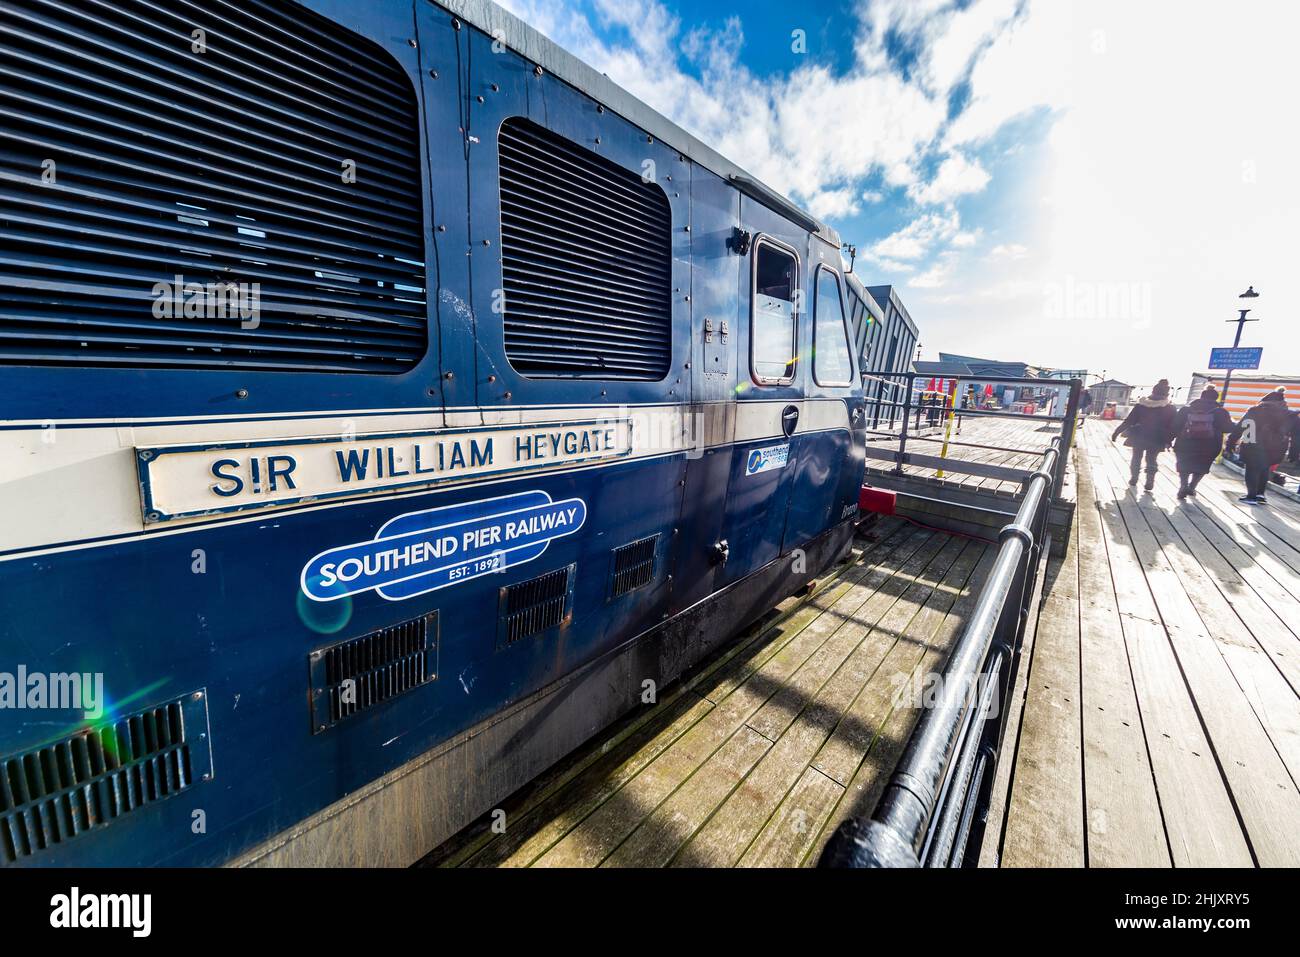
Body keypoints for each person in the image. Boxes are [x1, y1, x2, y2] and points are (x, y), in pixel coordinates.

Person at [1226, 388, 1291, 504]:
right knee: (1264, 469)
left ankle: (1251, 496)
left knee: (1251, 469)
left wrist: (1230, 443)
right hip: (1274, 449)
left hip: (1252, 445)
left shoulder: (1254, 411)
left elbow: (1240, 427)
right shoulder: (1286, 414)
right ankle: (1260, 495)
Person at [1112, 378, 1177, 491]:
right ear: (1167, 394)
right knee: (1152, 458)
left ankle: (1134, 478)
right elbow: (1173, 427)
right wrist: (1168, 440)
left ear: (1153, 391)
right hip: (1158, 437)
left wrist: (1116, 432)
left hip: (1139, 434)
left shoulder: (1141, 405)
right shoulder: (1170, 408)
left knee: (1136, 457)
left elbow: (1129, 420)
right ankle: (1149, 481)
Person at [1172, 386, 1233, 499]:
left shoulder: (1186, 410)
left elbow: (1175, 426)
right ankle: (1192, 486)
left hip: (1185, 443)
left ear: (1201, 397)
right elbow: (1228, 428)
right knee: (1202, 466)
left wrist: (1169, 440)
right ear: (1216, 398)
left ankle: (1183, 485)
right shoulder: (1221, 412)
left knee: (1184, 465)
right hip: (1210, 445)